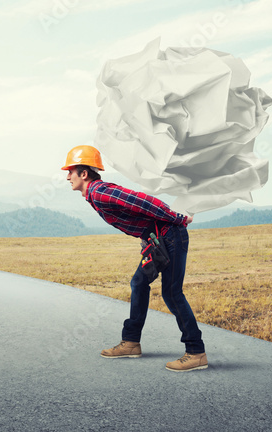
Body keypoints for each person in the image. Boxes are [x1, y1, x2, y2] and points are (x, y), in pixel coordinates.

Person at [62, 145, 208, 372]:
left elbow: (143, 202)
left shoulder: (100, 192)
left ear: (84, 174)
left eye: (70, 171)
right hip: (158, 239)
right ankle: (131, 343)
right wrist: (146, 240)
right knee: (139, 283)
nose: (67, 176)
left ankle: (196, 352)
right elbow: (137, 215)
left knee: (172, 293)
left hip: (170, 235)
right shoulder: (94, 194)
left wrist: (177, 218)